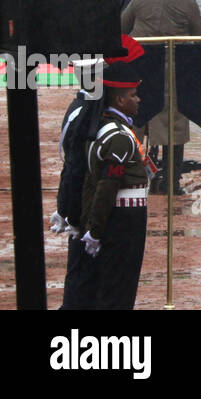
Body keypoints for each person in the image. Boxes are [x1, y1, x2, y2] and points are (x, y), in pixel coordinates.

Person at [56, 36, 146, 309]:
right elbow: (105, 183)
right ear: (118, 99)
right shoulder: (116, 134)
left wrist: (69, 210)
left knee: (91, 285)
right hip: (121, 218)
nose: (138, 99)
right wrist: (90, 227)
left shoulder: (89, 116)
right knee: (114, 289)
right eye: (132, 95)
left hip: (94, 213)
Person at [121, 0, 201, 195]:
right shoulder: (187, 1)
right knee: (175, 128)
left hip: (139, 73)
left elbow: (122, 27)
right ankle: (172, 183)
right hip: (171, 78)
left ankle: (133, 178)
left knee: (135, 124)